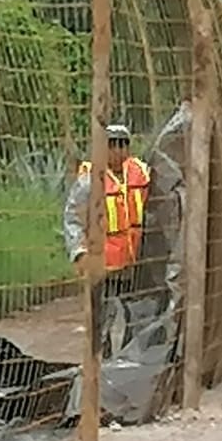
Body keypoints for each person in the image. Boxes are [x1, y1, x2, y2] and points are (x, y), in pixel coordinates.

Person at [63, 124, 151, 355]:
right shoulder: (90, 181)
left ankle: (132, 360)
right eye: (111, 145)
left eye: (122, 145)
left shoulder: (141, 173)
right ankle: (102, 362)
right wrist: (79, 252)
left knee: (139, 316)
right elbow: (73, 217)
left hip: (136, 262)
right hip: (105, 263)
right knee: (103, 317)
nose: (118, 151)